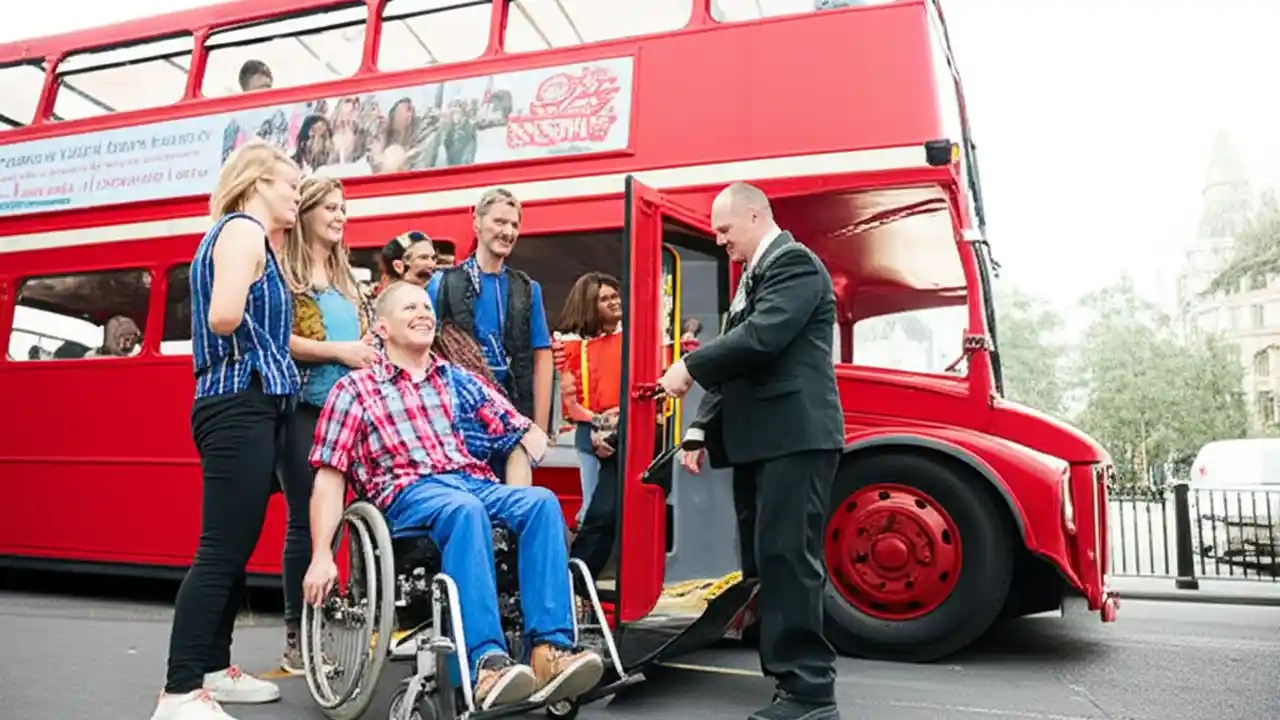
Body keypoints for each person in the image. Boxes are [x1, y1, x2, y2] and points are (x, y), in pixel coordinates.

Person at [302, 280, 604, 711]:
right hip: (407, 493)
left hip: (470, 482)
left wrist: (535, 444)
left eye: (426, 306)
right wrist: (320, 554)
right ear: (382, 327)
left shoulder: (456, 379)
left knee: (539, 503)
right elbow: (330, 478)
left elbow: (523, 432)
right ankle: (485, 662)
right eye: (410, 308)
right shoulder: (354, 391)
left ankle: (548, 651)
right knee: (465, 511)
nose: (424, 313)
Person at [658, 182, 843, 720]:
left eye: (724, 230)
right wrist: (699, 430)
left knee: (790, 561)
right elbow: (742, 360)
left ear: (756, 215)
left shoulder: (794, 265)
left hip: (795, 438)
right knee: (769, 560)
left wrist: (689, 368)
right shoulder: (755, 276)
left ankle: (809, 692)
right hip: (766, 442)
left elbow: (763, 337)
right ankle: (788, 678)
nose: (719, 241)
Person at [151, 139, 302, 720]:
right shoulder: (242, 231)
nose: (296, 195)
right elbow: (222, 314)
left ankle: (213, 669)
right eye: (290, 185)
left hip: (248, 402)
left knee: (234, 548)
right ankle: (180, 690)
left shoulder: (243, 237)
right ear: (258, 182)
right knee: (219, 552)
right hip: (239, 400)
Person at [276, 175, 379, 674]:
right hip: (305, 410)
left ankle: (333, 621)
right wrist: (341, 351)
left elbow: (359, 341)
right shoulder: (285, 272)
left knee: (342, 521)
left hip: (350, 413)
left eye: (344, 208)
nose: (340, 216)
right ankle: (297, 635)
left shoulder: (346, 278)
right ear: (307, 212)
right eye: (331, 208)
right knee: (306, 520)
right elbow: (281, 341)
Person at [429, 188, 554, 432]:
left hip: (514, 417)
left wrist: (539, 428)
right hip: (458, 420)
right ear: (477, 222)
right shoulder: (440, 283)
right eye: (499, 222)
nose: (508, 232)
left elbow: (542, 358)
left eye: (514, 225)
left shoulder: (529, 288)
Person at [553, 272, 624, 530]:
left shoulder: (633, 334)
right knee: (592, 505)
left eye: (616, 295)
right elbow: (570, 403)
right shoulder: (569, 344)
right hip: (590, 430)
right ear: (589, 305)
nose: (614, 302)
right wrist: (599, 422)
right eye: (605, 299)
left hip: (629, 424)